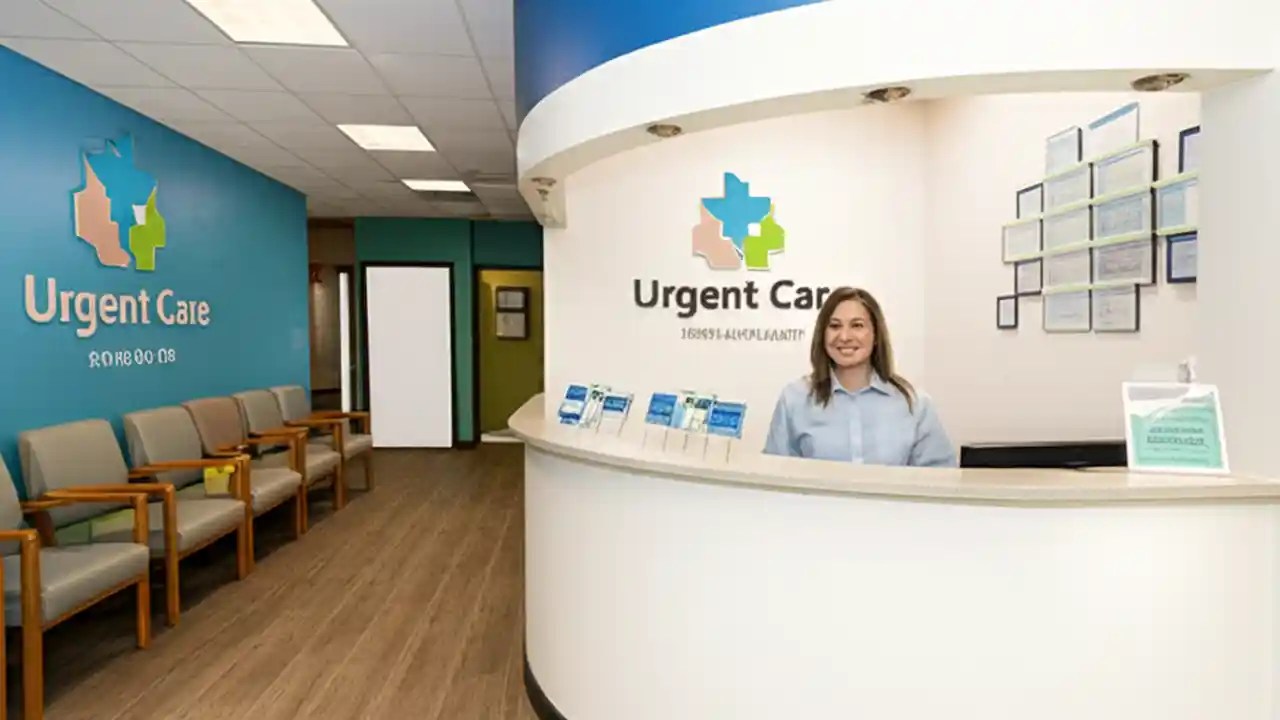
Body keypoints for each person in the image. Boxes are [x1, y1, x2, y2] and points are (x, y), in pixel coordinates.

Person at [763, 287, 957, 467]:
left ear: (876, 336)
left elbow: (940, 480)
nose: (845, 336)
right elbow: (774, 479)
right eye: (834, 326)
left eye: (857, 325)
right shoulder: (794, 399)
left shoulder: (915, 404)